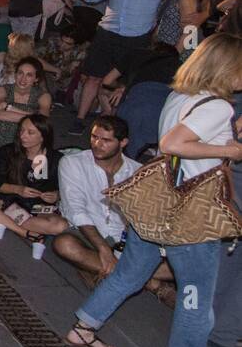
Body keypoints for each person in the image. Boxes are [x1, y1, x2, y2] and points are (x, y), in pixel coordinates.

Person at [66, 33, 242, 347]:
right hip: (191, 215)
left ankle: (83, 327)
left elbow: (179, 145)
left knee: (130, 272)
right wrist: (233, 151)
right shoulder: (218, 106)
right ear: (228, 69)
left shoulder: (181, 94)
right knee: (195, 295)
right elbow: (173, 144)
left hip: (158, 205)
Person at [51, 115, 176, 302]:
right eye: (94, 137)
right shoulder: (72, 162)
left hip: (125, 241)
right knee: (64, 245)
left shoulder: (138, 171)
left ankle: (103, 270)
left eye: (106, 140)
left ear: (123, 142)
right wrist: (103, 248)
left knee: (178, 264)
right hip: (88, 234)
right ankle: (151, 283)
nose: (97, 144)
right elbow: (76, 210)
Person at [58, 0, 162, 125]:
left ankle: (114, 122)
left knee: (124, 83)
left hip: (136, 36)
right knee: (94, 76)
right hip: (107, 32)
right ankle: (80, 118)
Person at [0, 113, 65, 250]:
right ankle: (23, 231)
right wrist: (18, 189)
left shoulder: (57, 159)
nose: (23, 136)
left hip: (36, 208)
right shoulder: (8, 151)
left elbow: (66, 190)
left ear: (43, 136)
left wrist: (56, 195)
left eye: (30, 133)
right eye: (21, 130)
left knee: (60, 226)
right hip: (7, 201)